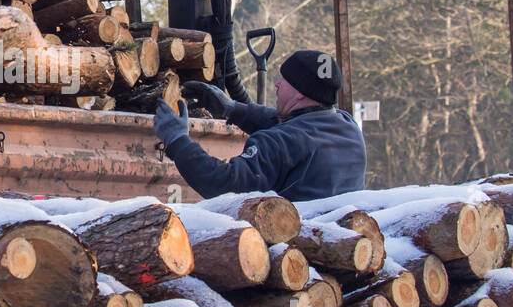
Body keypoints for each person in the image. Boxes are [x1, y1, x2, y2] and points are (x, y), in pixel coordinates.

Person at [153, 49, 366, 200]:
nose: (277, 84)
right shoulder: (349, 128)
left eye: (285, 80)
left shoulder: (278, 143)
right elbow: (299, 128)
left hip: (294, 255)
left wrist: (178, 140)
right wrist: (235, 109)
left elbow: (222, 184)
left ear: (300, 94)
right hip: (342, 241)